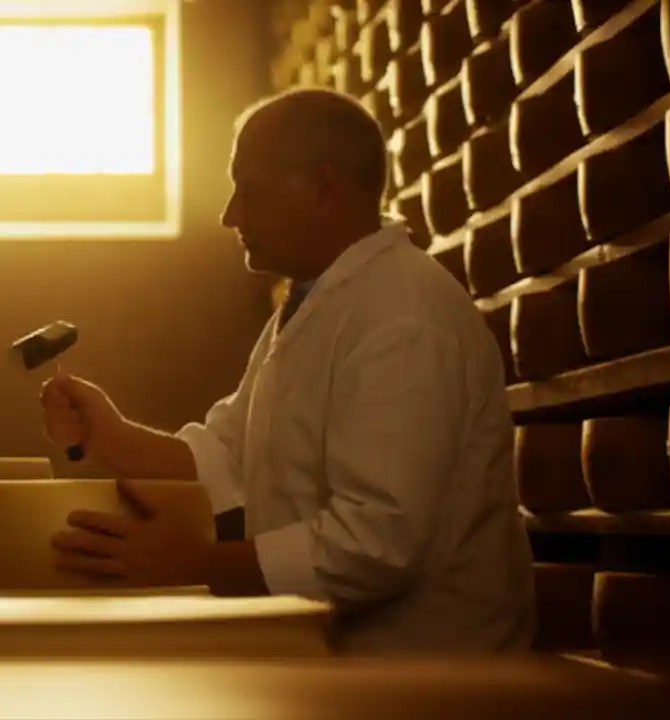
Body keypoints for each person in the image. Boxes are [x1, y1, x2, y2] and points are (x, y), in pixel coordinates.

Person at [40, 88, 535, 654]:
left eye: (249, 191)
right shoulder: (316, 305)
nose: (230, 215)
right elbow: (234, 457)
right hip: (347, 666)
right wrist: (112, 435)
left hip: (437, 679)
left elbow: (377, 543)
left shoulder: (404, 317)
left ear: (324, 189)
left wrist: (195, 564)